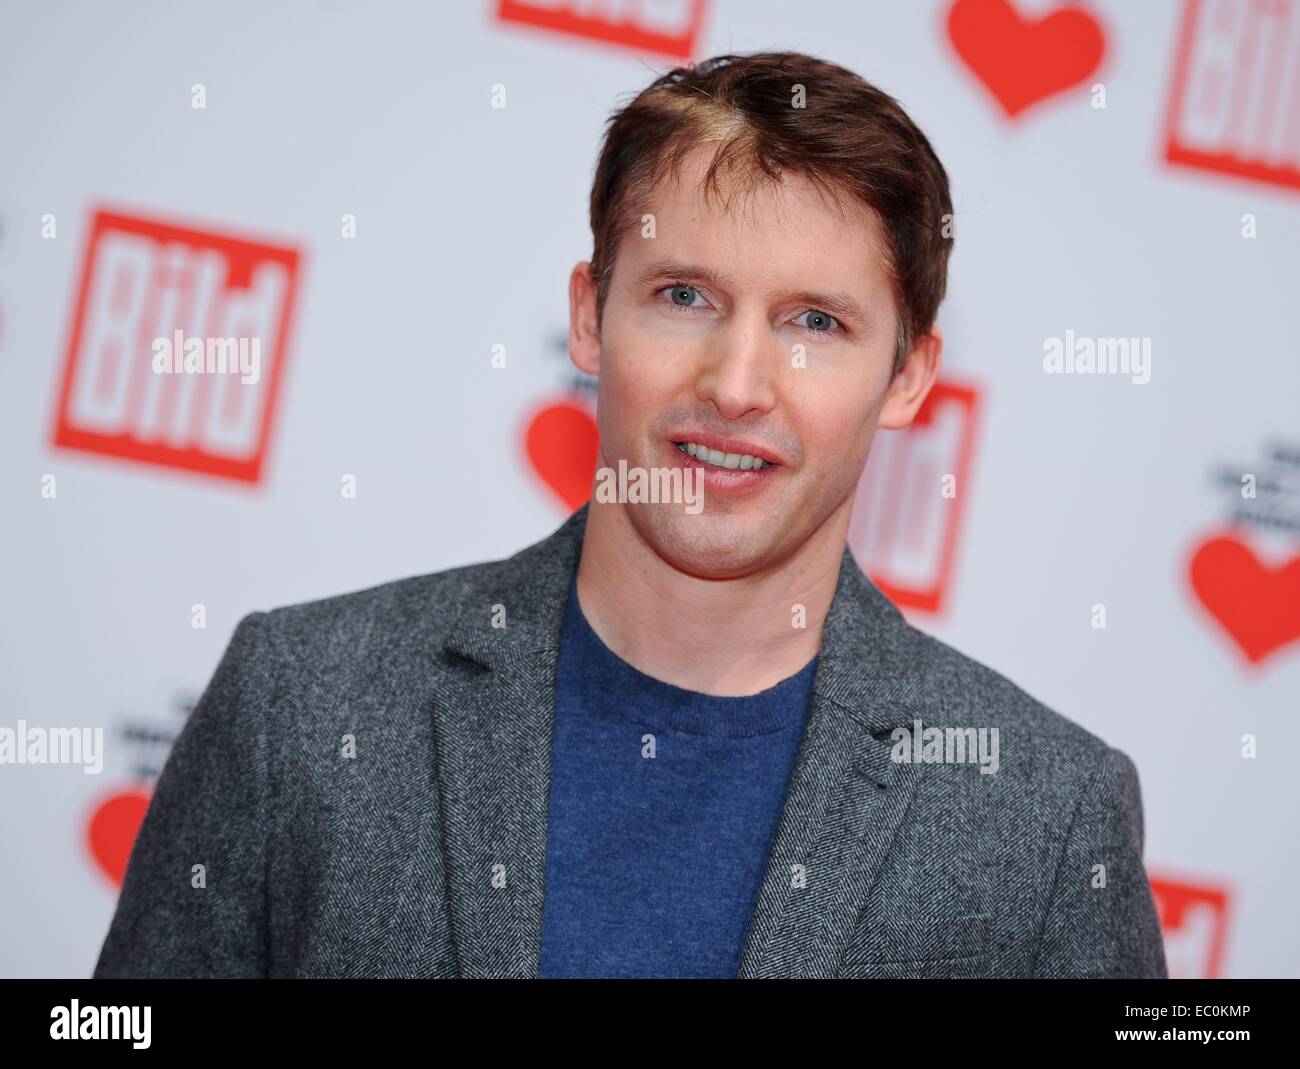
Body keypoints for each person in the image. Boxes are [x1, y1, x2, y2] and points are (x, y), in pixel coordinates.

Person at [93, 51, 1167, 979]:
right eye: (685, 297)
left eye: (814, 321)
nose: (737, 383)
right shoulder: (299, 701)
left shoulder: (1047, 815)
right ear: (588, 316)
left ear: (907, 378)